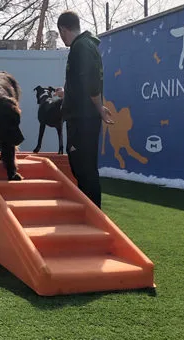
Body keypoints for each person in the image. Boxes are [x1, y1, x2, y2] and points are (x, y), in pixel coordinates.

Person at [54, 10, 113, 209]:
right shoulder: (87, 46)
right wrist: (67, 92)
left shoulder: (80, 47)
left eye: (60, 34)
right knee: (82, 167)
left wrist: (99, 107)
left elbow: (91, 82)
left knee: (84, 168)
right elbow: (83, 81)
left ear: (63, 29)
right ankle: (90, 212)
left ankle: (93, 213)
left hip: (82, 119)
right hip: (83, 116)